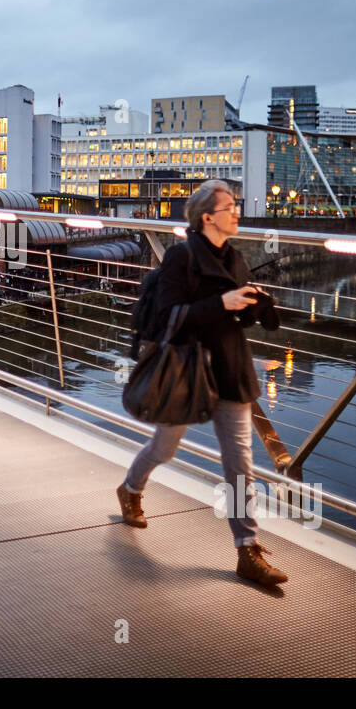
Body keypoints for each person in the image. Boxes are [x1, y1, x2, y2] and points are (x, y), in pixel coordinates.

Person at [115, 178, 286, 586]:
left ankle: (247, 549)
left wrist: (253, 306)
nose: (238, 212)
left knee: (240, 461)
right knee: (165, 446)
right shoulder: (180, 258)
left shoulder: (235, 258)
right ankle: (130, 488)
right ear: (208, 217)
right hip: (187, 369)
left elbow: (235, 318)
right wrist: (220, 303)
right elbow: (167, 318)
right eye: (231, 207)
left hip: (230, 367)